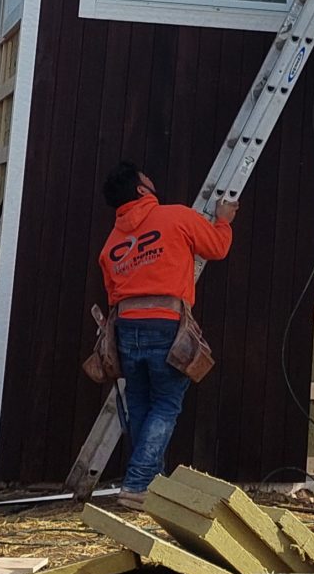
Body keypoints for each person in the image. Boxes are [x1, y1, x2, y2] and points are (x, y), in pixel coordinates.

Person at [94, 162, 237, 494]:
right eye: (147, 177)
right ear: (143, 190)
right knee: (167, 403)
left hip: (127, 326)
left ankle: (149, 483)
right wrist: (224, 221)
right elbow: (216, 247)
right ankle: (139, 482)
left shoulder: (111, 244)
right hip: (165, 322)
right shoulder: (177, 217)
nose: (151, 177)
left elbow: (113, 294)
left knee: (141, 400)